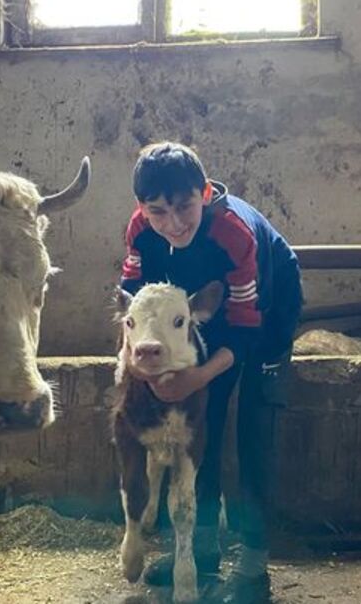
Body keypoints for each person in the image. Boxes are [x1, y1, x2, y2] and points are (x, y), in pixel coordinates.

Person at [118, 141, 303, 603]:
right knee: (203, 425)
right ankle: (201, 554)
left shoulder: (233, 234)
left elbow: (243, 327)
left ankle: (255, 561)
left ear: (202, 193)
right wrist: (130, 359)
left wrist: (197, 377)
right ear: (142, 208)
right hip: (198, 315)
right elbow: (133, 301)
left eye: (184, 207)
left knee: (255, 422)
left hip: (264, 310)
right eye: (158, 211)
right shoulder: (140, 231)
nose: (173, 223)